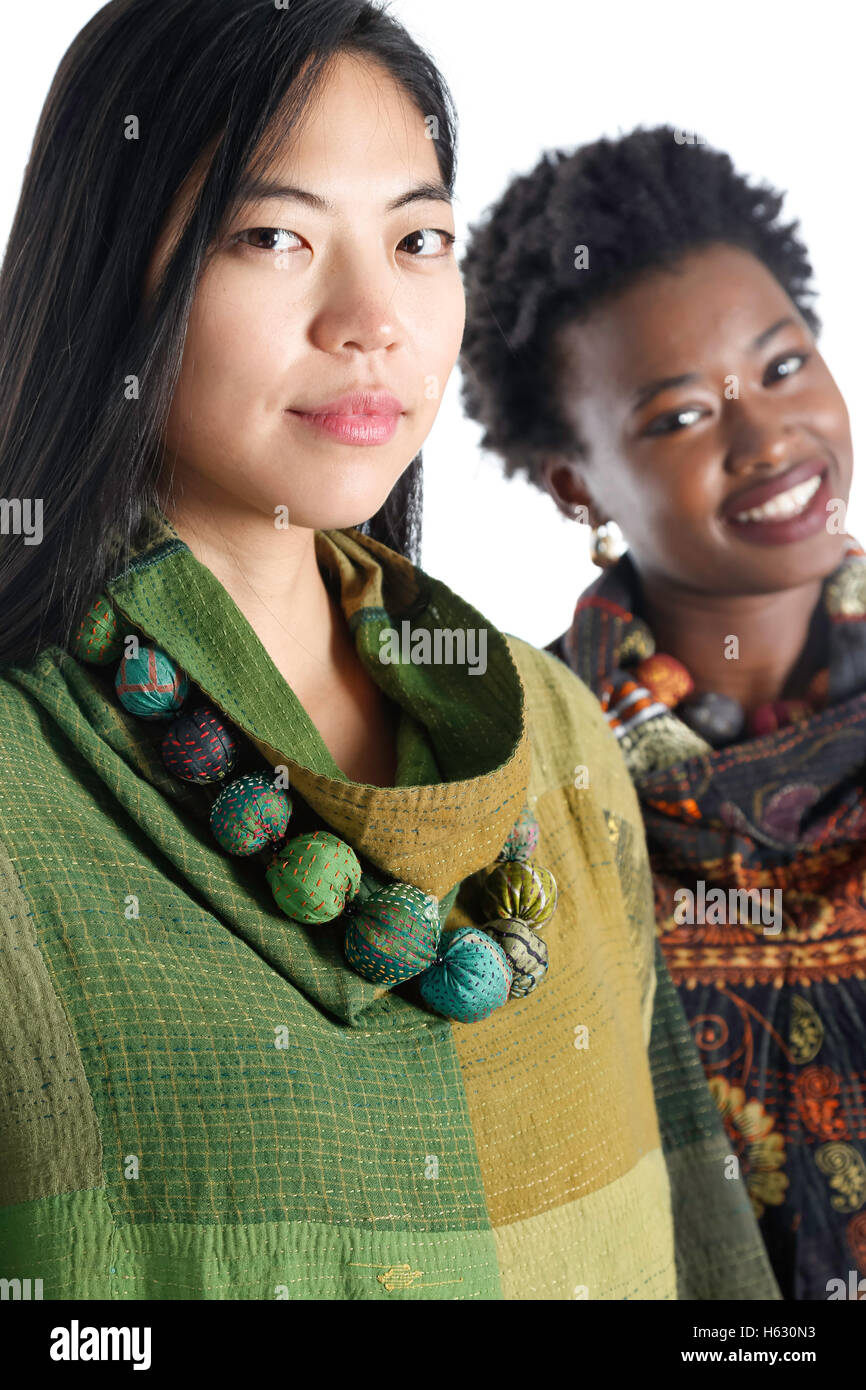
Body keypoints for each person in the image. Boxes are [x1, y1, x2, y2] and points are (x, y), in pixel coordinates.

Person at [0, 0, 774, 1301]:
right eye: (272, 236)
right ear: (111, 264)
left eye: (418, 238)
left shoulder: (555, 732)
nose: (371, 316)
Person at [460, 123, 866, 1301]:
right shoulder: (510, 777)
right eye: (680, 416)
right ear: (574, 482)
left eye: (782, 364)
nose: (765, 437)